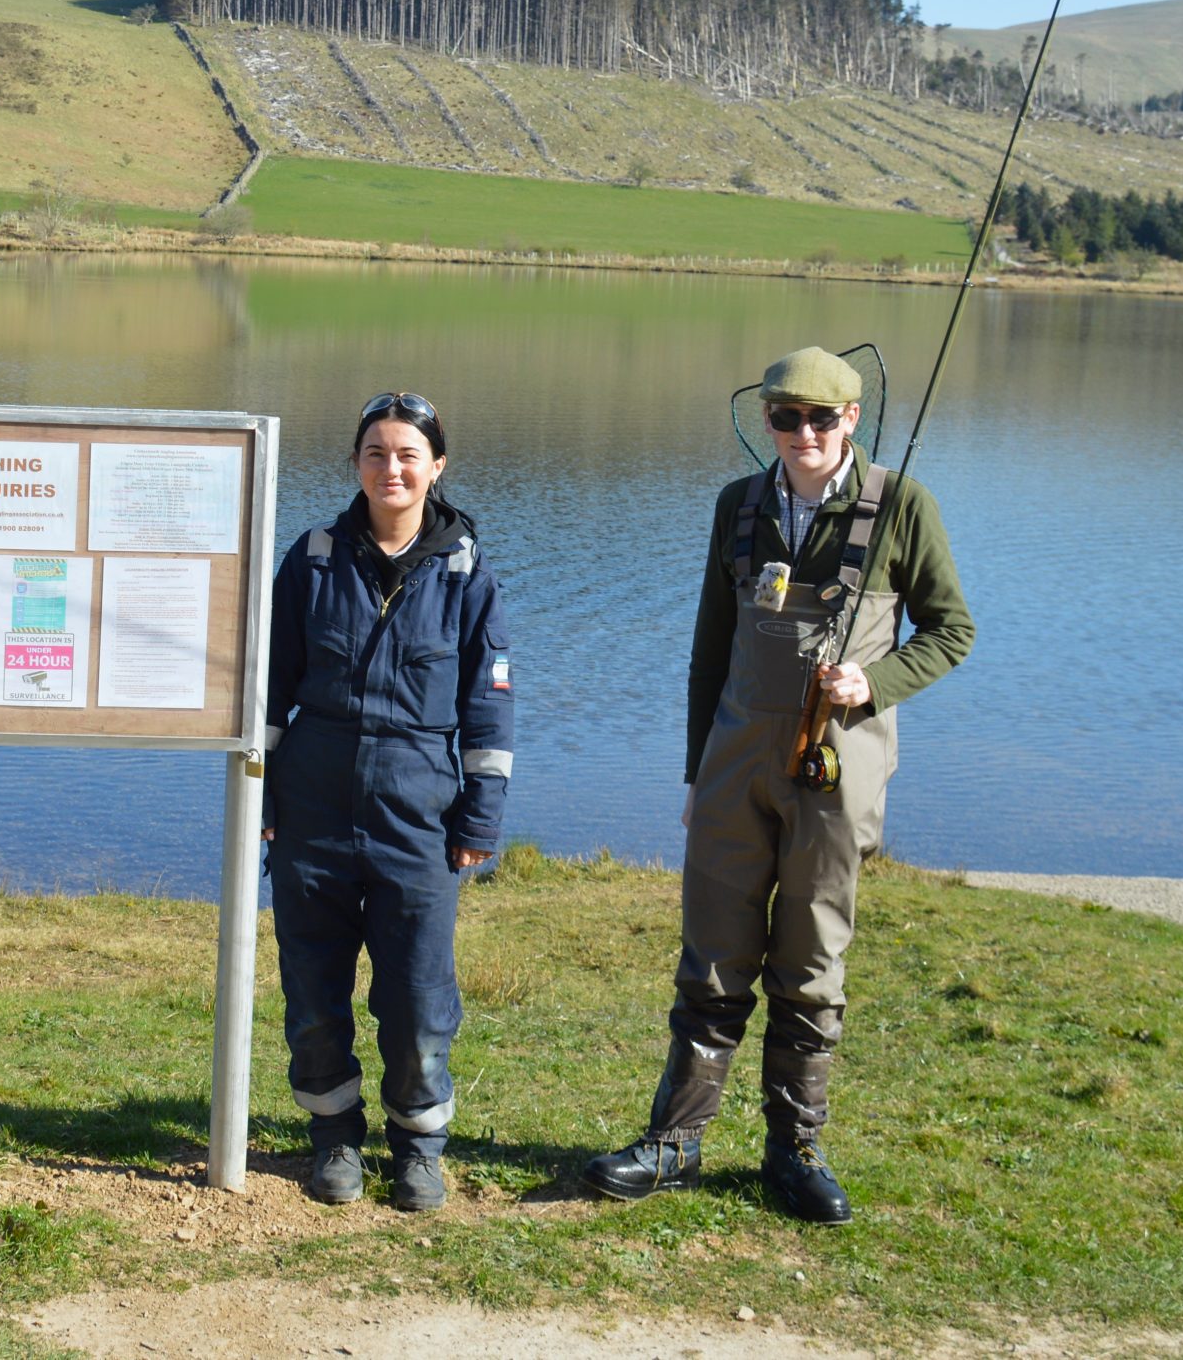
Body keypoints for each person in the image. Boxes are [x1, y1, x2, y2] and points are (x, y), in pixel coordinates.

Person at [584, 346, 973, 1225]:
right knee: (713, 958)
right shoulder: (738, 505)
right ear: (766, 420)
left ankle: (793, 1150)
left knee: (810, 963)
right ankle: (675, 1144)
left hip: (838, 770)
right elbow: (707, 654)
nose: (803, 434)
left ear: (852, 420)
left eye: (820, 419)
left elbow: (952, 631)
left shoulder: (903, 505)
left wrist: (874, 682)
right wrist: (696, 774)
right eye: (785, 418)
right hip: (733, 768)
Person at [262, 391, 514, 1212]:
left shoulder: (468, 575)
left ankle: (418, 1147)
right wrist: (260, 796)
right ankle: (334, 1140)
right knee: (312, 993)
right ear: (356, 464)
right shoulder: (310, 559)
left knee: (416, 999)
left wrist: (480, 816)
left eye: (409, 454)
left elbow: (489, 709)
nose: (392, 467)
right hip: (312, 806)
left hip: (419, 815)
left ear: (436, 466)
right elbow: (267, 690)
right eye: (376, 452)